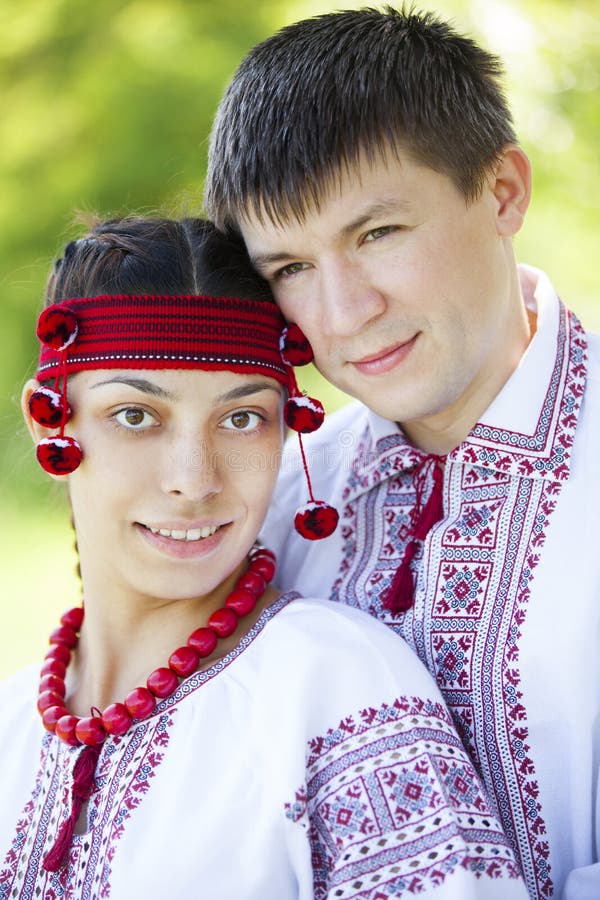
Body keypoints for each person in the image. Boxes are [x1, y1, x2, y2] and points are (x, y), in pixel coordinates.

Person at [0, 215, 527, 899]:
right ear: (50, 418)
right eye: (135, 415)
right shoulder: (12, 721)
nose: (194, 478)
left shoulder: (338, 687)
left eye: (242, 417)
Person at [203, 6, 600, 899]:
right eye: (289, 269)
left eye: (376, 234)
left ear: (501, 191)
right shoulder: (275, 500)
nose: (343, 314)